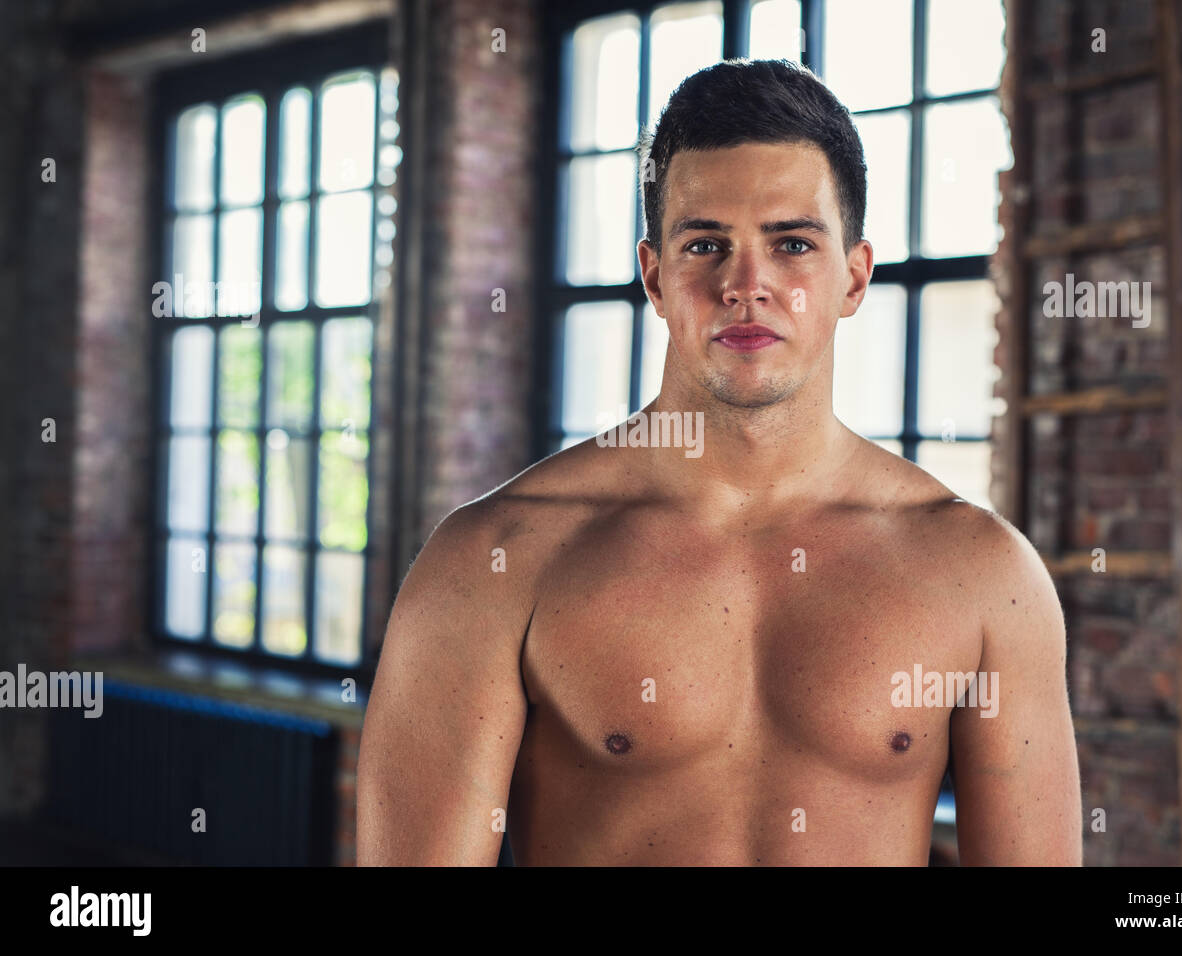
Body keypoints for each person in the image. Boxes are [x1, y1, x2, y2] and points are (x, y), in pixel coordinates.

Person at [358, 58, 1082, 865]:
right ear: (655, 277)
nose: (747, 284)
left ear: (854, 277)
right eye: (706, 244)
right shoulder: (495, 562)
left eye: (793, 244)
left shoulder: (983, 573)